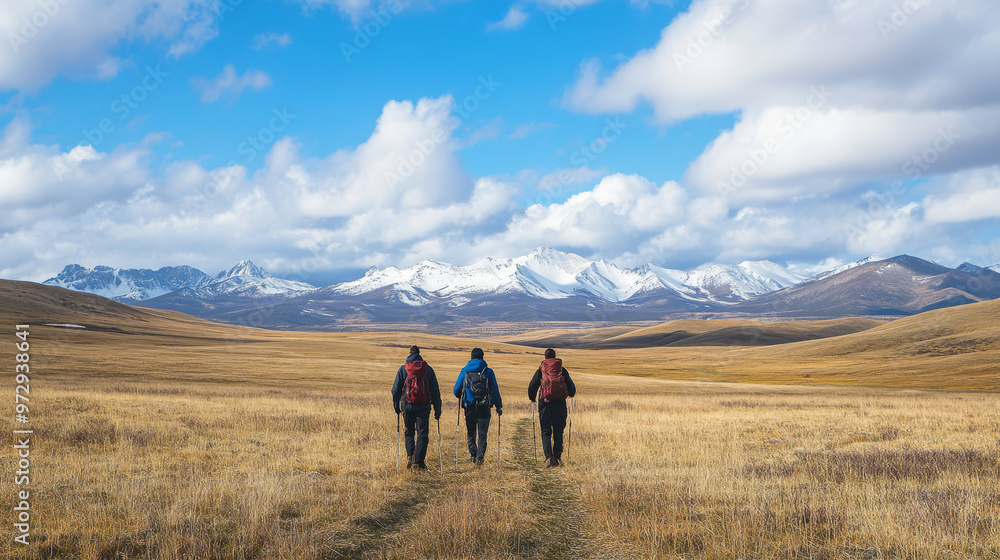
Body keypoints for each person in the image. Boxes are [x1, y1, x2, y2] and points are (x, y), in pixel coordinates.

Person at [391, 345, 442, 471]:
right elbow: (435, 391)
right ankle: (418, 461)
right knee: (422, 433)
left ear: (409, 354)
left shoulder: (403, 369)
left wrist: (396, 405)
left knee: (409, 432)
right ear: (419, 354)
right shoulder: (427, 369)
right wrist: (437, 409)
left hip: (407, 405)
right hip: (424, 405)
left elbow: (395, 390)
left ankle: (410, 456)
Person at [453, 347, 503, 465]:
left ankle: (473, 454)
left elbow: (456, 390)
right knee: (482, 432)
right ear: (482, 357)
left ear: (471, 357)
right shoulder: (488, 371)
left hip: (469, 405)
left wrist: (462, 395)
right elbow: (495, 390)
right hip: (484, 405)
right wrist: (498, 406)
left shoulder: (465, 370)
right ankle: (480, 457)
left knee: (471, 431)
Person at [528, 348, 576, 467]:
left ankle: (549, 458)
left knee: (546, 431)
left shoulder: (541, 370)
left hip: (544, 402)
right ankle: (558, 457)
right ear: (555, 357)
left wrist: (533, 398)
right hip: (560, 403)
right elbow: (572, 389)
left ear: (545, 358)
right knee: (558, 431)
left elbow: (532, 386)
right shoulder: (562, 370)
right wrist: (568, 394)